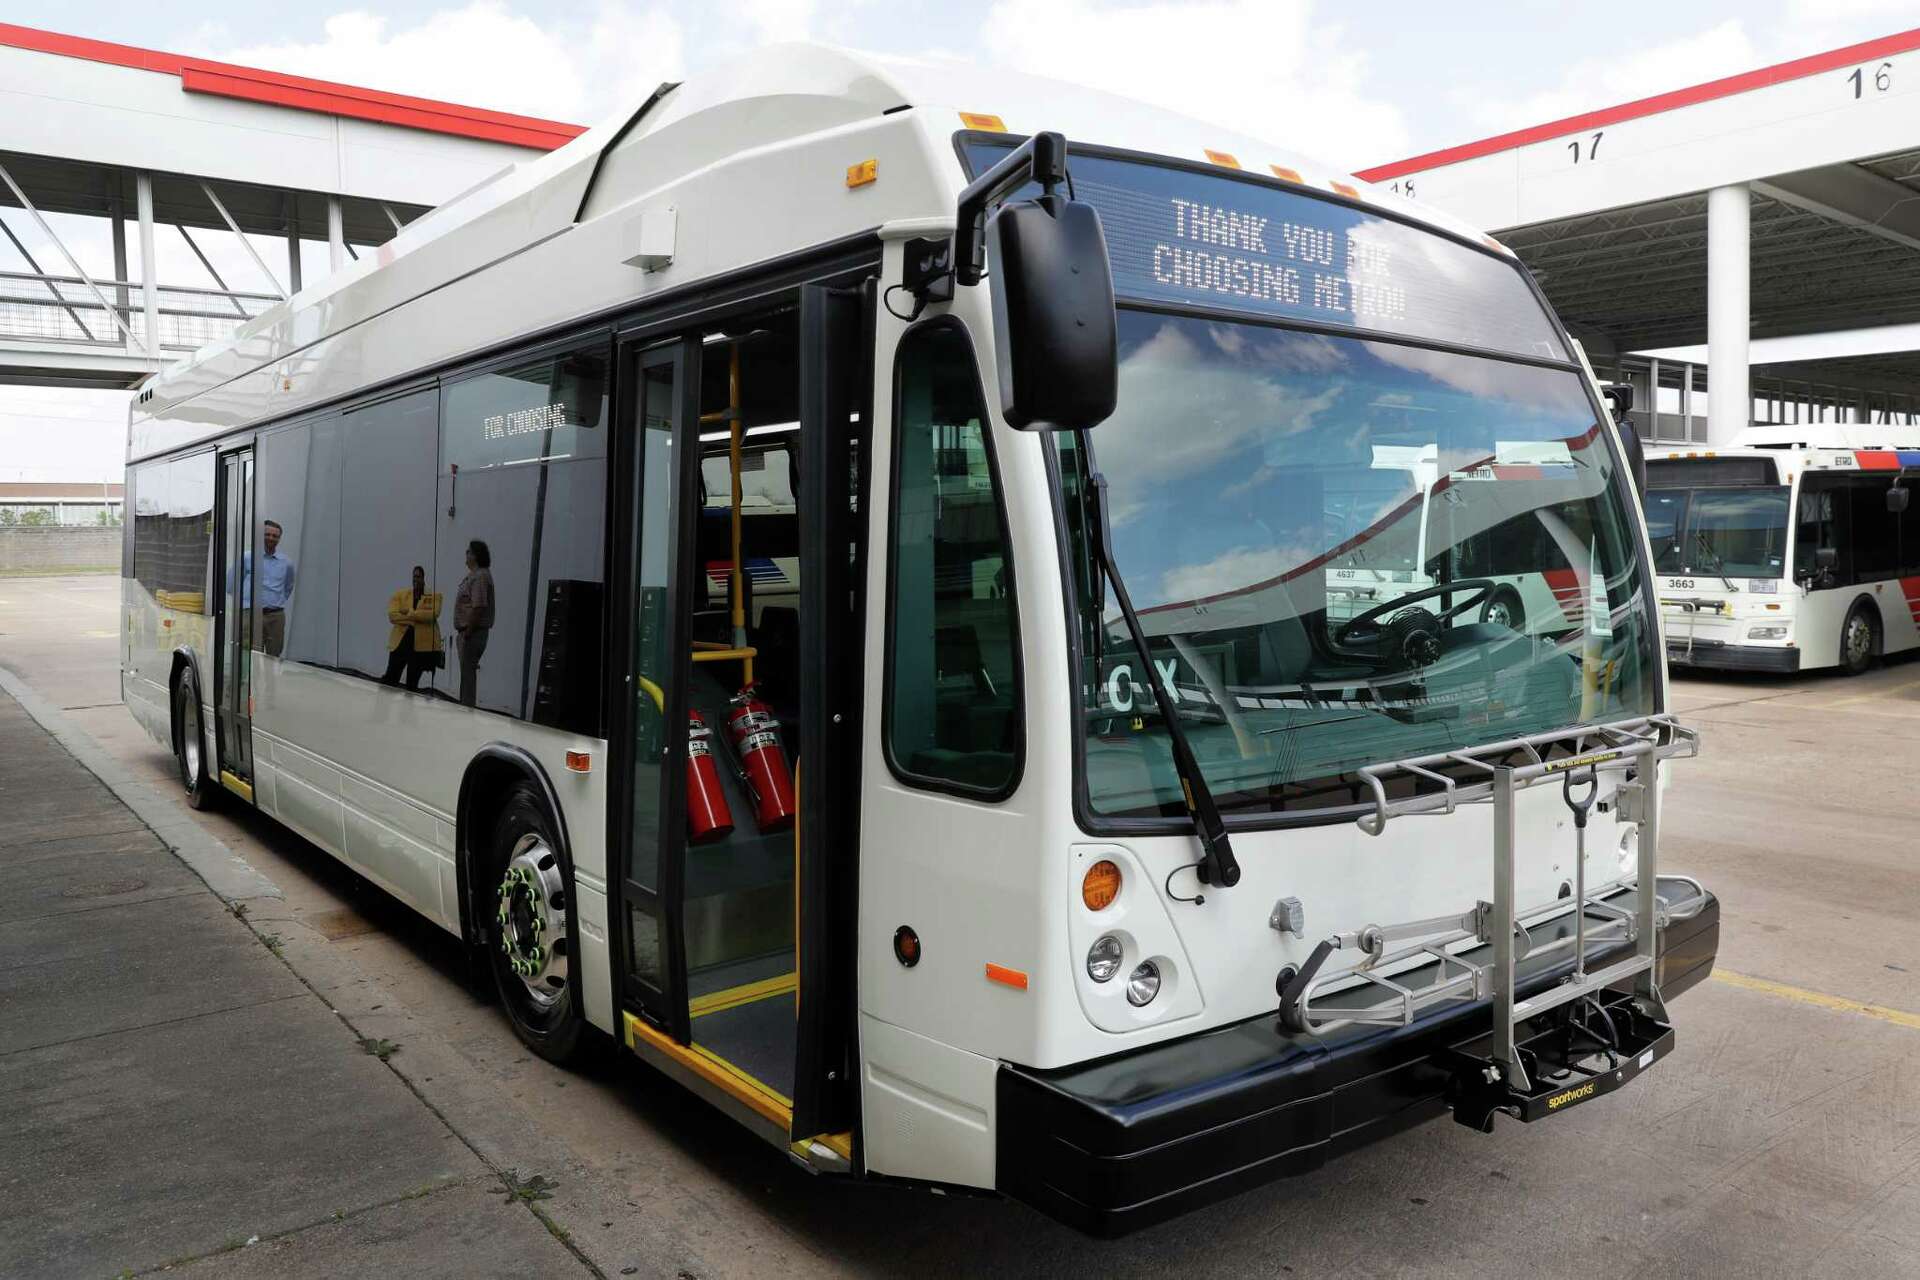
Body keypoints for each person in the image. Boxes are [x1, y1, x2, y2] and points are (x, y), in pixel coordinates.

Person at [382, 565, 443, 690]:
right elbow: (392, 616)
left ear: (424, 578)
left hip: (419, 648)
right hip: (401, 643)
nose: (415, 579)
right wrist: (414, 620)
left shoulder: (434, 596)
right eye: (414, 576)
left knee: (412, 684)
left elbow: (432, 615)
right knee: (390, 679)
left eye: (418, 576)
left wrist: (410, 613)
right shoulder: (401, 595)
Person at [454, 539, 495, 707]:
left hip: (472, 633)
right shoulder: (475, 575)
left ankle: (466, 713)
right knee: (466, 676)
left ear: (476, 556)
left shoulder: (480, 576)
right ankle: (465, 708)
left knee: (468, 679)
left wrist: (468, 633)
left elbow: (479, 607)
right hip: (470, 633)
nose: (466, 554)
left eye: (469, 551)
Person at [250, 518, 296, 657]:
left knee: (274, 656)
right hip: (254, 615)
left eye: (275, 536)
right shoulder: (250, 559)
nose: (271, 538)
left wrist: (274, 601)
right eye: (267, 534)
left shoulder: (286, 563)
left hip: (276, 617)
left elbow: (288, 587)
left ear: (279, 539)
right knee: (252, 655)